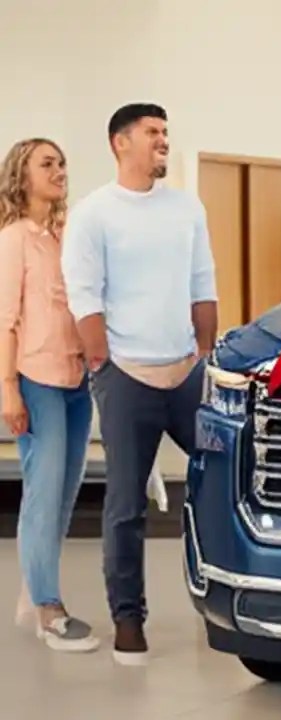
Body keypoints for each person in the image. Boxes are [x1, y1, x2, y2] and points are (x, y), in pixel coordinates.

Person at [61, 103, 218, 666]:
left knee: (217, 487)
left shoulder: (186, 208)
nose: (163, 141)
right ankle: (129, 620)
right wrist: (101, 360)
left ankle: (222, 605)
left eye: (166, 133)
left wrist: (205, 350)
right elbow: (84, 292)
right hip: (125, 374)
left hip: (186, 373)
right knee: (126, 504)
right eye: (153, 133)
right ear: (119, 143)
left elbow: (203, 279)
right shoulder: (94, 213)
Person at [0, 138, 99, 652]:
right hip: (35, 379)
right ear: (22, 174)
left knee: (62, 495)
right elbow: (5, 321)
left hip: (76, 380)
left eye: (62, 162)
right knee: (42, 495)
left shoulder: (66, 234)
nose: (59, 170)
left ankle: (30, 596)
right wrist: (9, 391)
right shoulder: (13, 238)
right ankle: (47, 608)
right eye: (47, 163)